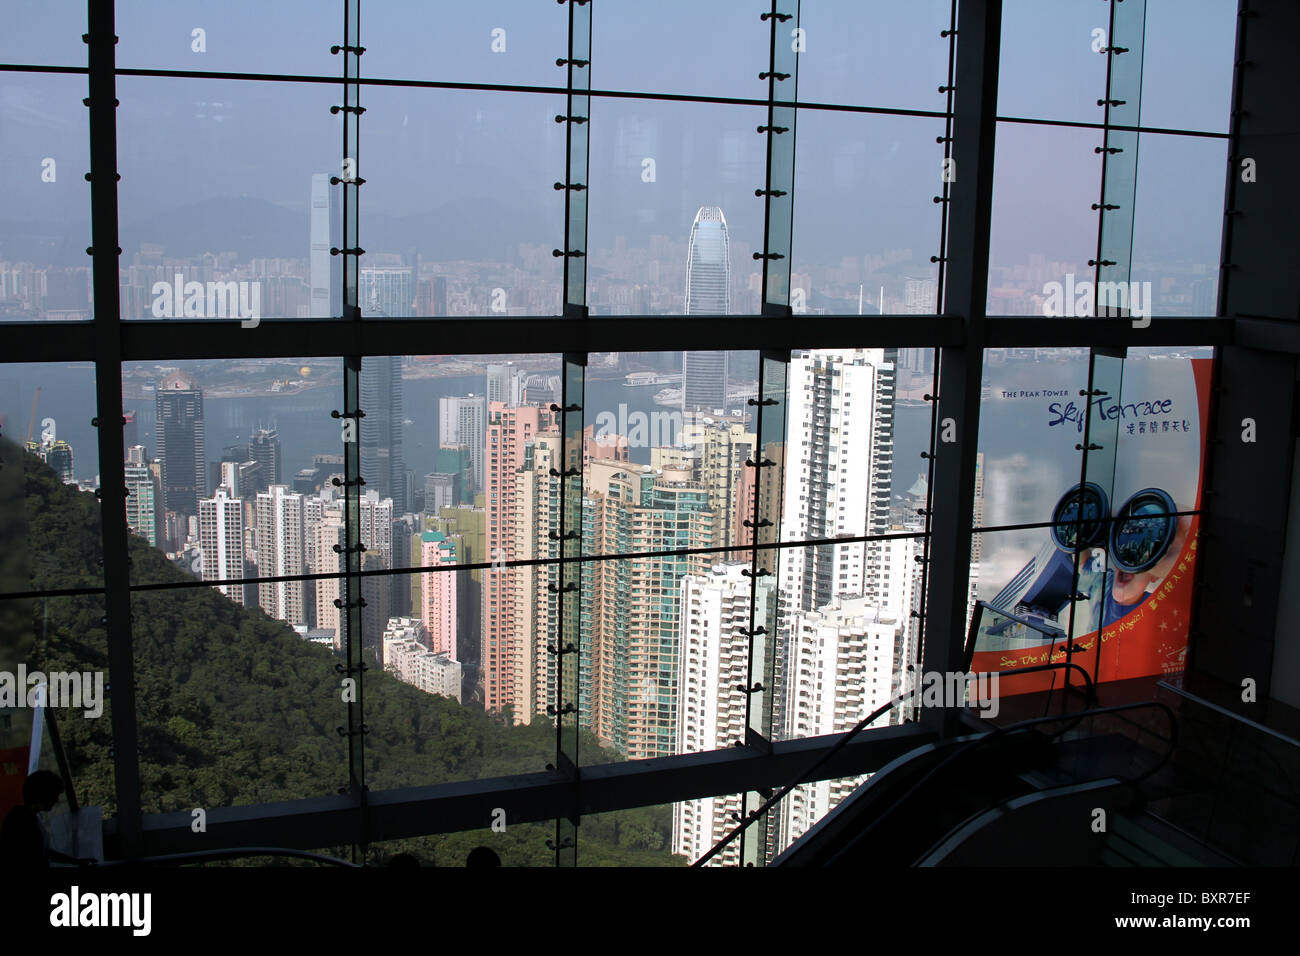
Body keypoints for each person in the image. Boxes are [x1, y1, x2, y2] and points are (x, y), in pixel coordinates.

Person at [0, 770, 94, 868]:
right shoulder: (22, 820)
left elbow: (42, 851)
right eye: (54, 795)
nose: (56, 800)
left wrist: (75, 861)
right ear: (43, 795)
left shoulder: (26, 816)